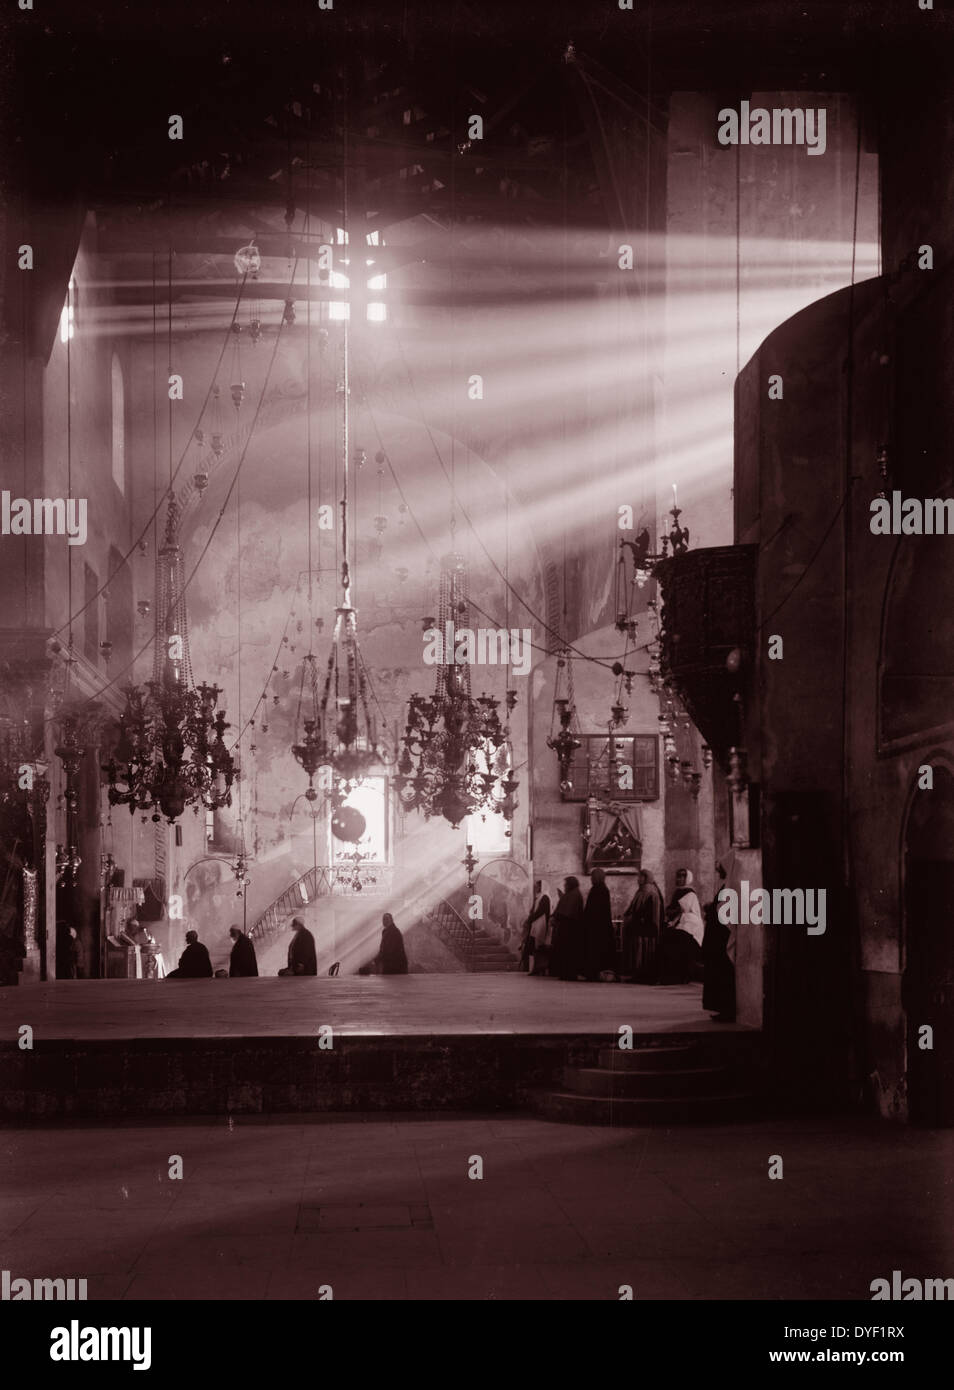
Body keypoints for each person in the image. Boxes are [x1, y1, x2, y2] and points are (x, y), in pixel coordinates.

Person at [655, 868, 704, 985]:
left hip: (689, 925)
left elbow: (681, 909)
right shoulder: (678, 892)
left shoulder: (689, 892)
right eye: (678, 876)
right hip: (679, 924)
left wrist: (673, 917)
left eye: (682, 877)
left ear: (687, 878)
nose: (679, 879)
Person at [702, 864, 736, 1021]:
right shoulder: (725, 885)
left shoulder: (730, 886)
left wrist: (712, 909)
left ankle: (727, 1010)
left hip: (721, 937)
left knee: (723, 973)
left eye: (721, 868)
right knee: (718, 973)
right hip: (717, 936)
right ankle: (721, 1008)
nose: (718, 871)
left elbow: (725, 911)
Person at [621, 868, 665, 981]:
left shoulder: (650, 892)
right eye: (638, 877)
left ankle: (641, 970)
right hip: (639, 923)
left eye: (641, 877)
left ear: (646, 878)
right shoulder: (641, 891)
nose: (638, 879)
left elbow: (649, 911)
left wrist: (636, 917)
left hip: (647, 926)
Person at [583, 867, 617, 980]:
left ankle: (594, 973)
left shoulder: (599, 889)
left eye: (593, 877)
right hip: (599, 926)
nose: (591, 879)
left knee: (595, 951)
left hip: (596, 927)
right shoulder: (601, 889)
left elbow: (594, 910)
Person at [549, 876, 585, 981]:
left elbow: (567, 912)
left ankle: (568, 973)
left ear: (570, 885)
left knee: (568, 951)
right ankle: (565, 972)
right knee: (566, 951)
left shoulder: (574, 895)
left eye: (566, 885)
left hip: (569, 929)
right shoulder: (571, 894)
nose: (565, 886)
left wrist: (557, 916)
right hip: (567, 928)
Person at [519, 880, 552, 974]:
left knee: (538, 946)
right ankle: (536, 968)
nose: (536, 888)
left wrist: (530, 919)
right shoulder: (539, 897)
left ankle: (539, 968)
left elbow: (540, 911)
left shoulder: (545, 897)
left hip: (541, 925)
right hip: (536, 925)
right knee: (534, 947)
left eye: (537, 886)